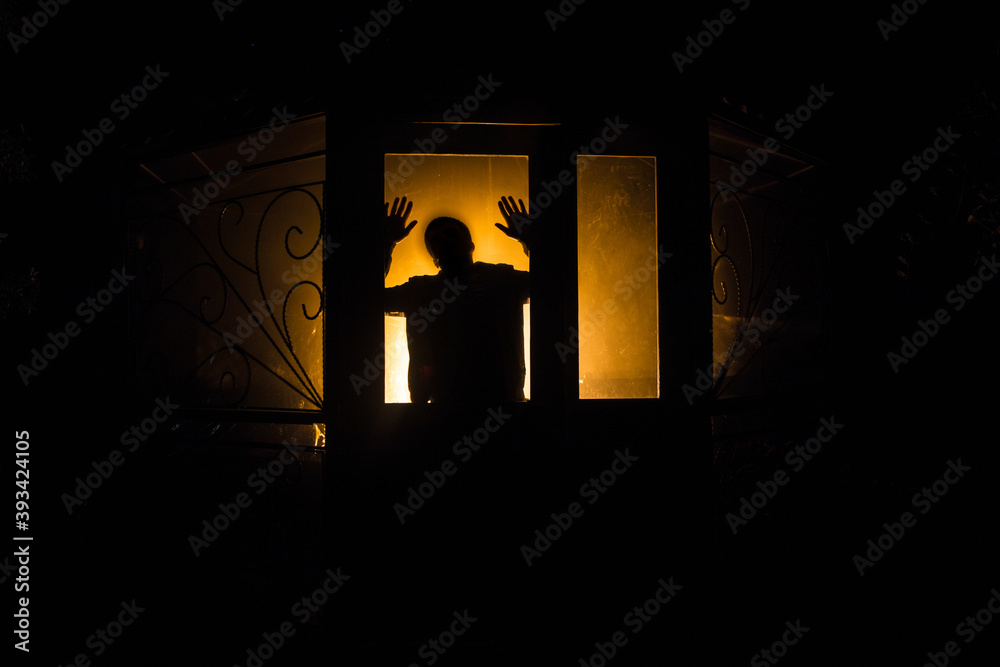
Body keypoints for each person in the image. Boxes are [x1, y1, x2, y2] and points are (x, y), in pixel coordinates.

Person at [383, 196, 531, 404]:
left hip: (487, 406)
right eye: (437, 241)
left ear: (470, 243)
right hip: (455, 410)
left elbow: (551, 282)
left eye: (450, 234)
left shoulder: (502, 279)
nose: (445, 241)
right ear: (434, 257)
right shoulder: (421, 290)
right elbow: (371, 299)